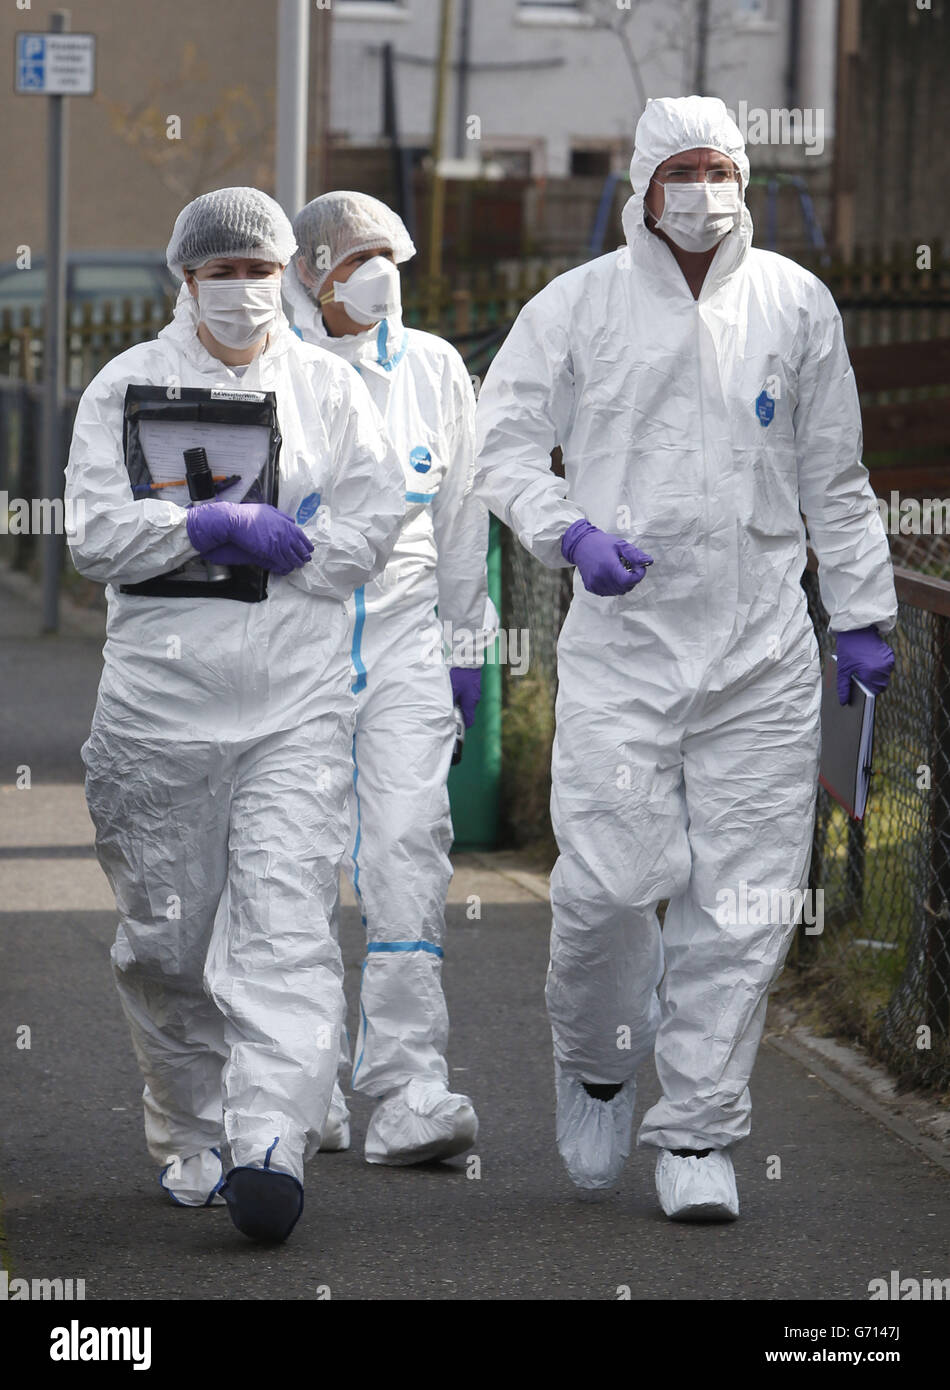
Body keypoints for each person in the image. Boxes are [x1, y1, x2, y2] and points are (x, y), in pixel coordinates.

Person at [473, 97, 897, 1221]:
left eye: (721, 167)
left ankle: (699, 1131)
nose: (704, 188)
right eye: (683, 168)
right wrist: (567, 531)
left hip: (759, 647)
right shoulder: (578, 307)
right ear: (645, 184)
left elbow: (834, 473)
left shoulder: (793, 304)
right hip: (624, 646)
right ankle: (602, 1058)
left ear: (744, 178)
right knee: (609, 886)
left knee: (746, 898)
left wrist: (859, 610)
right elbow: (501, 442)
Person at [64, 187, 405, 1243]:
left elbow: (376, 513)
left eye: (260, 272)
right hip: (159, 715)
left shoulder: (330, 388)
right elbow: (92, 535)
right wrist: (204, 525)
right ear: (186, 280)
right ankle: (189, 1131)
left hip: (291, 710)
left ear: (287, 277)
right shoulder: (126, 387)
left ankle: (268, 1139)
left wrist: (303, 561)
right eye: (223, 273)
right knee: (167, 944)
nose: (244, 291)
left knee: (287, 924)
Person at [284, 191, 495, 1164]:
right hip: (300, 648)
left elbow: (461, 518)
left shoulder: (434, 368)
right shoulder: (275, 376)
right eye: (358, 258)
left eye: (390, 255)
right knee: (288, 863)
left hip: (408, 642)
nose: (379, 273)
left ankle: (411, 1087)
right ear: (314, 275)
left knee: (407, 848)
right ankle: (299, 1084)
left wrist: (467, 649)